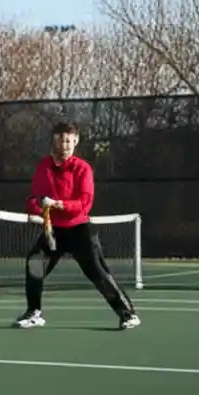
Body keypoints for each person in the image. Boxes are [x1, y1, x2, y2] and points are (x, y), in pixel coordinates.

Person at [14, 121, 140, 331]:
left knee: (98, 273)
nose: (66, 145)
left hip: (80, 230)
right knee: (34, 265)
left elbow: (84, 204)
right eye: (62, 140)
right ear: (53, 141)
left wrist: (58, 205)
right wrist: (40, 208)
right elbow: (33, 200)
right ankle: (34, 312)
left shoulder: (82, 168)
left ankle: (127, 314)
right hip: (53, 231)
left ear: (76, 142)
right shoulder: (43, 166)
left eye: (70, 141)